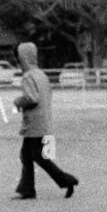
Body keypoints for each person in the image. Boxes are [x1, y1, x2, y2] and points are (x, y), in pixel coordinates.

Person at [11, 43, 78, 201]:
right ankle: (26, 189)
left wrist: (18, 101)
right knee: (27, 155)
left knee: (39, 156)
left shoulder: (28, 76)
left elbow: (32, 98)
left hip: (35, 124)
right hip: (44, 121)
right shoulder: (41, 75)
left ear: (22, 58)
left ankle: (66, 180)